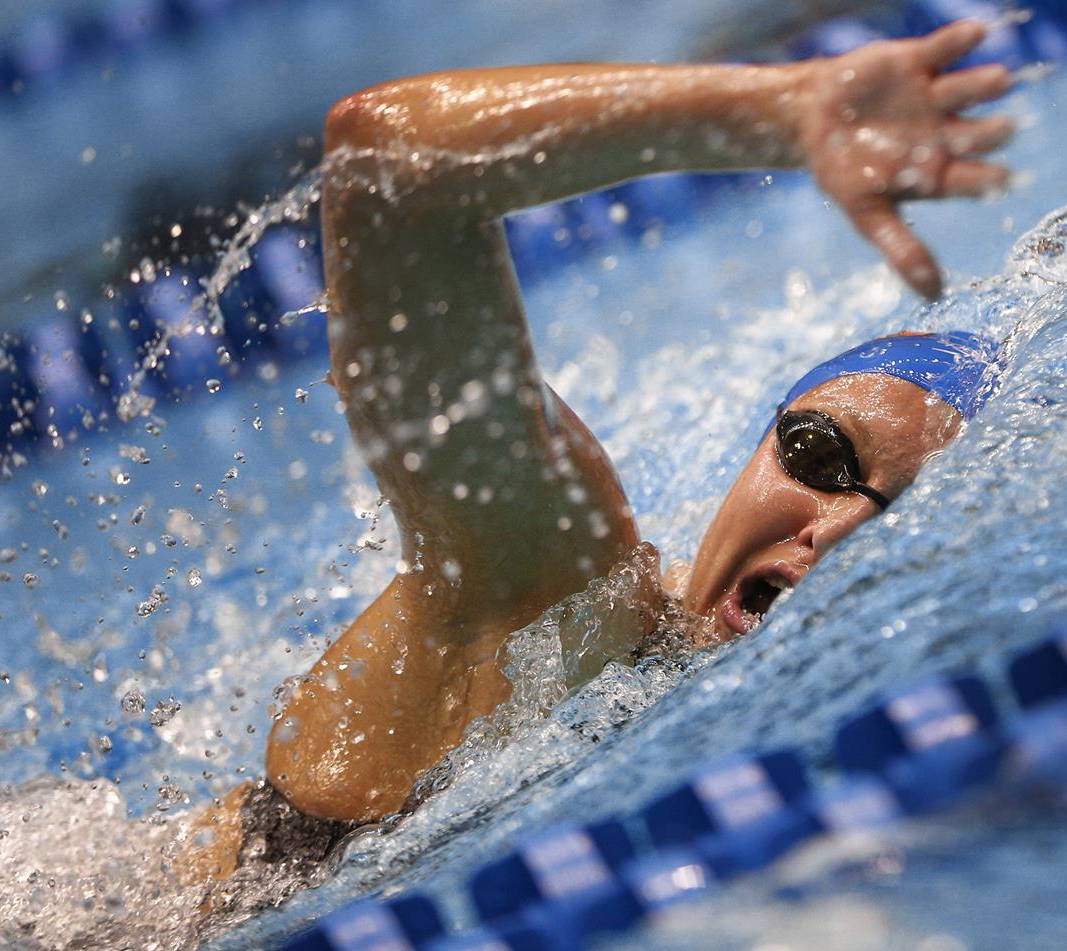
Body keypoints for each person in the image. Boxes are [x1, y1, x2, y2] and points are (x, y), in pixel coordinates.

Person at [185, 18, 1021, 879]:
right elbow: (391, 162)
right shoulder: (565, 592)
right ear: (761, 443)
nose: (839, 530)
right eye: (821, 457)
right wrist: (785, 106)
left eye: (903, 518)